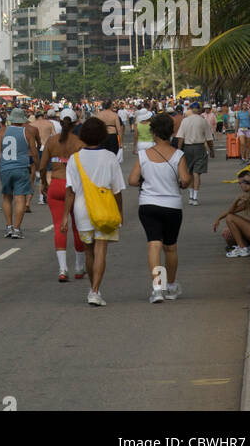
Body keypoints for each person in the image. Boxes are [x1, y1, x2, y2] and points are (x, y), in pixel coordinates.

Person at [127, 111, 191, 303]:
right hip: (172, 205)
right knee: (170, 247)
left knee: (154, 244)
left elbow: (132, 180)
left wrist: (144, 182)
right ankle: (170, 286)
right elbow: (186, 179)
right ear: (171, 132)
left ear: (153, 132)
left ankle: (157, 288)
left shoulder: (144, 155)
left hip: (148, 204)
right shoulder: (178, 154)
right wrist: (182, 184)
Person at [62, 116, 125, 307]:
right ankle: (95, 290)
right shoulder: (110, 157)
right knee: (101, 251)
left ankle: (93, 288)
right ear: (103, 135)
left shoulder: (75, 158)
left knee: (88, 252)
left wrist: (65, 215)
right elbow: (117, 190)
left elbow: (70, 190)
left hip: (82, 210)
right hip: (105, 209)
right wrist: (120, 212)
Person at [38, 111, 86, 281]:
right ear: (75, 124)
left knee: (59, 225)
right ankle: (80, 267)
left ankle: (62, 268)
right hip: (74, 187)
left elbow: (43, 167)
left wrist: (44, 182)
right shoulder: (79, 144)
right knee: (77, 226)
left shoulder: (51, 141)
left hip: (56, 184)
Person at [0, 108, 40, 240]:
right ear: (22, 120)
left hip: (5, 168)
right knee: (20, 199)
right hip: (21, 168)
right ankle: (17, 229)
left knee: (7, 198)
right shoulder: (27, 132)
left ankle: (9, 227)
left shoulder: (2, 131)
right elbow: (34, 152)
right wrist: (38, 166)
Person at [176, 103, 215, 206]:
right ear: (199, 109)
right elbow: (209, 138)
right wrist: (212, 151)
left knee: (189, 172)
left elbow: (181, 137)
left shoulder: (185, 121)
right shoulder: (203, 121)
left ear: (191, 109)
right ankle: (195, 197)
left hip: (188, 148)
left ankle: (190, 196)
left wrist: (178, 151)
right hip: (200, 148)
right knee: (197, 173)